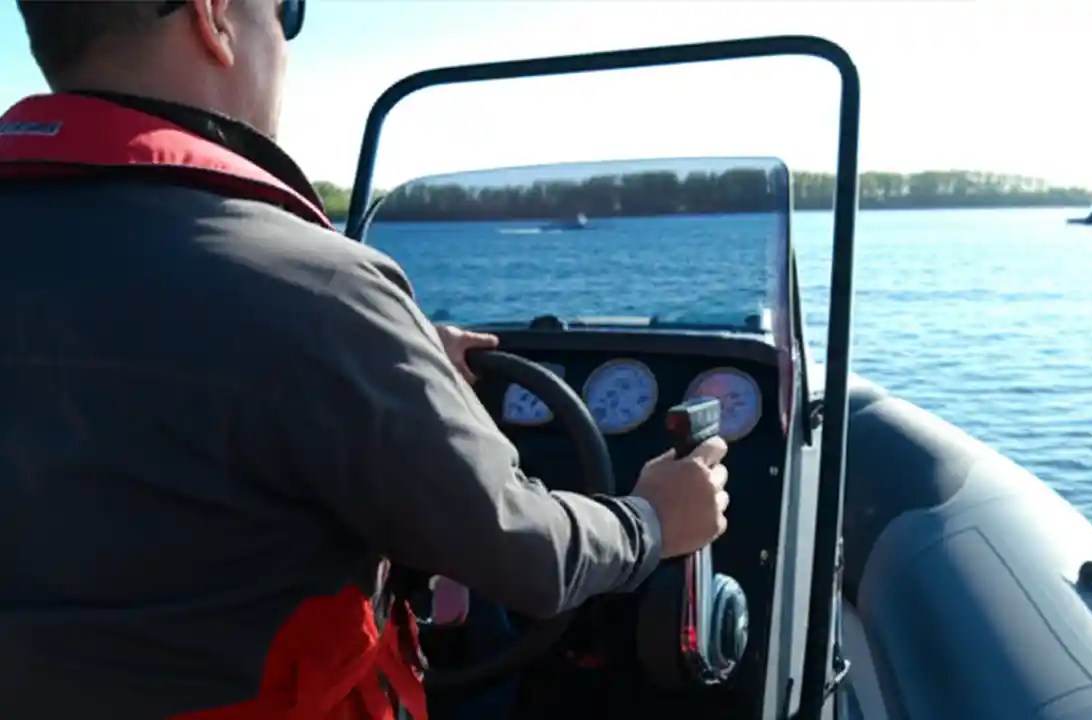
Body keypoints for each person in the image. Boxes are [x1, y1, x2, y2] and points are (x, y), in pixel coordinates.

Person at [0, 2, 731, 719]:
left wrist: (394, 359)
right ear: (215, 17)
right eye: (286, 11)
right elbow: (531, 559)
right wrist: (652, 520)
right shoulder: (317, 289)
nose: (285, 42)